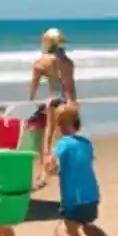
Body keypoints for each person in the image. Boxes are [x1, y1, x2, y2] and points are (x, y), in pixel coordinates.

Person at [44, 104, 118, 236]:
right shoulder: (86, 144)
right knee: (88, 226)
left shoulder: (63, 144)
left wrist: (47, 161)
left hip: (74, 197)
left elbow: (51, 167)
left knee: (64, 230)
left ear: (60, 126)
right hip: (92, 196)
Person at [27, 27, 77, 184]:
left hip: (54, 101)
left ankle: (43, 173)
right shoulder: (69, 62)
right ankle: (66, 168)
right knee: (67, 136)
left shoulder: (42, 62)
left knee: (48, 137)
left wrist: (31, 99)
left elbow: (34, 86)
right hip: (69, 101)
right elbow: (70, 85)